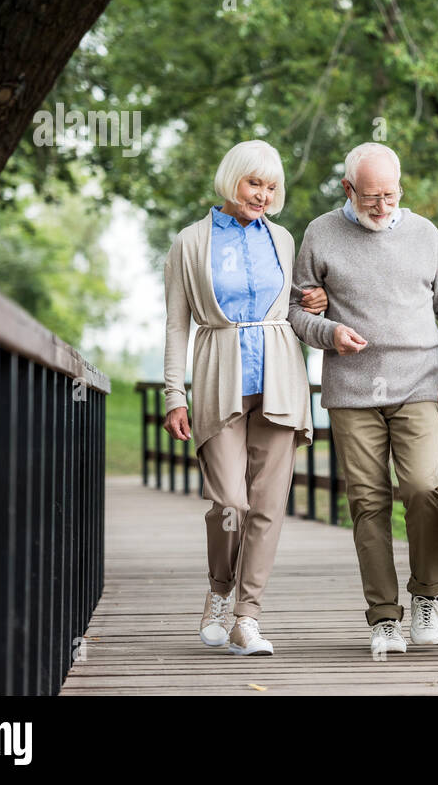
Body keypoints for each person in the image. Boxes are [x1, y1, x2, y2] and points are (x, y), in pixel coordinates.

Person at [287, 142, 438, 656]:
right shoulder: (321, 233)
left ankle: (427, 596)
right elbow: (294, 310)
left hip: (416, 383)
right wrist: (329, 333)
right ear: (349, 189)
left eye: (390, 196)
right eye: (371, 197)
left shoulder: (424, 234)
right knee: (367, 502)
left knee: (422, 488)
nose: (381, 207)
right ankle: (383, 618)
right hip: (351, 390)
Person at [162, 139, 324, 655]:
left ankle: (247, 617)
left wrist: (311, 299)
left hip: (279, 376)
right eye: (254, 183)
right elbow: (175, 325)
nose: (263, 194)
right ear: (231, 179)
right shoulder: (191, 242)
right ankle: (218, 592)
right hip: (218, 378)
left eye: (271, 186)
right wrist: (174, 394)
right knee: (230, 502)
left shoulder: (283, 237)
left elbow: (286, 301)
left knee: (269, 505)